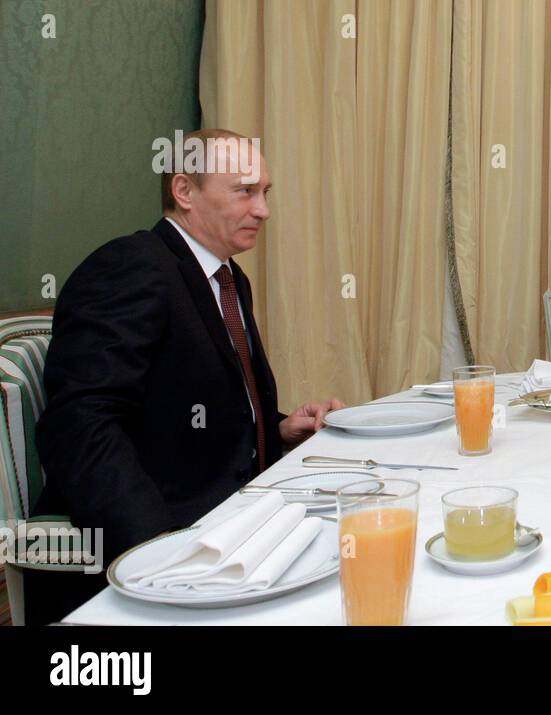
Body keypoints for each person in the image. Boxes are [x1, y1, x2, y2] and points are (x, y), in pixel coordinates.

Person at [27, 129, 344, 624]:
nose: (262, 210)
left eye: (266, 193)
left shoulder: (228, 277)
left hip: (240, 528)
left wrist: (276, 429)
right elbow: (81, 426)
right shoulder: (131, 266)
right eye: (244, 191)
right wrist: (160, 555)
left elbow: (185, 407)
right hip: (170, 554)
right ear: (184, 191)